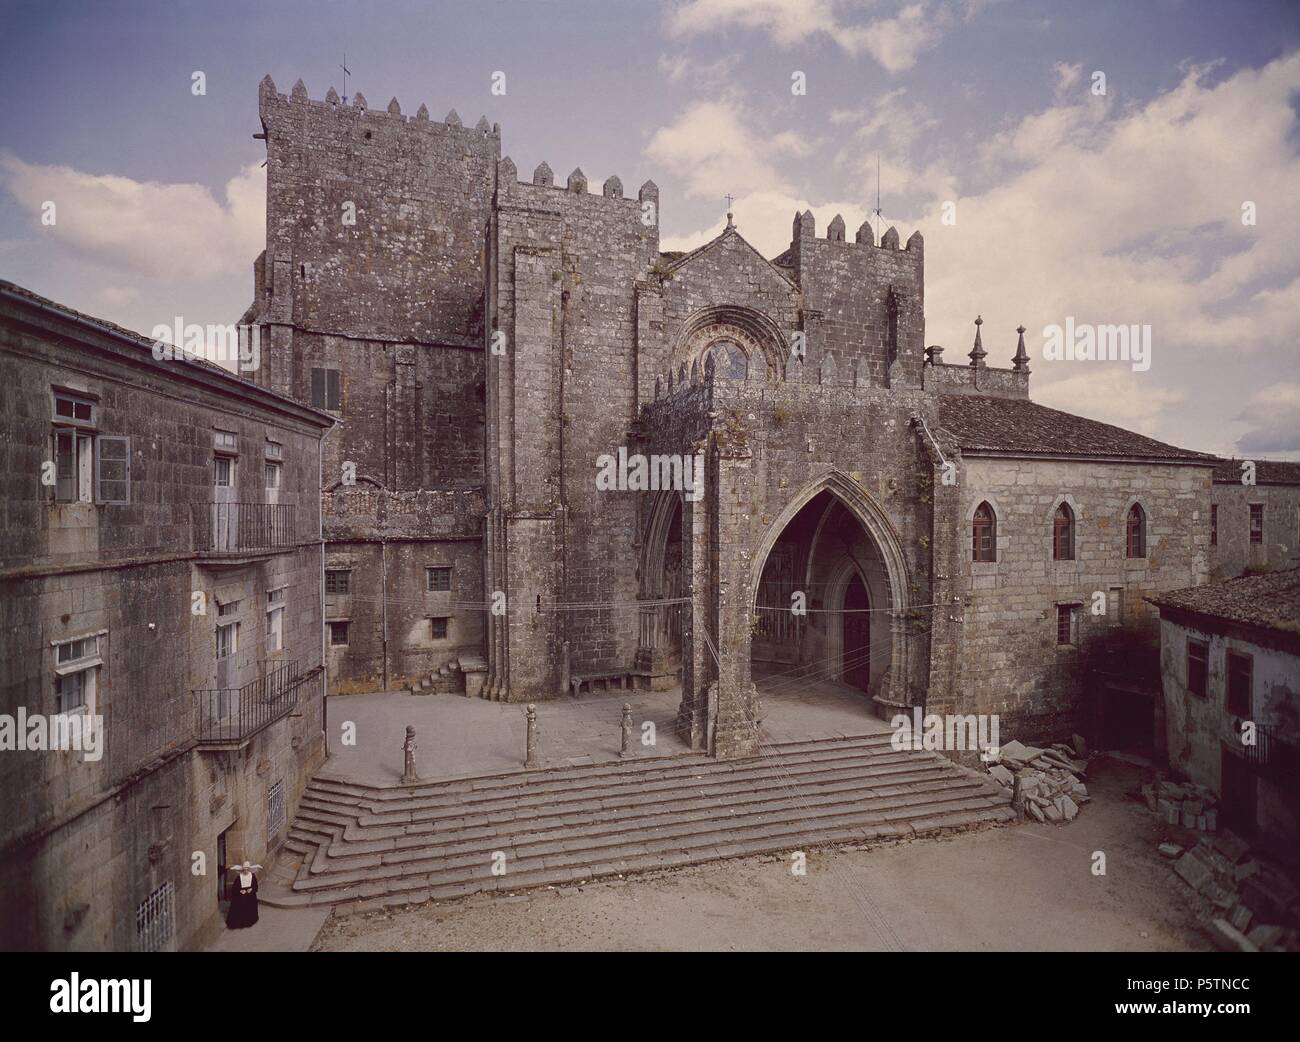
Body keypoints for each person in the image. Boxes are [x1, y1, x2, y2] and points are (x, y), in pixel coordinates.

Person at [226, 861, 261, 929]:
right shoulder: (239, 877)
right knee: (239, 907)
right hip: (241, 896)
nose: (246, 870)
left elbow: (255, 886)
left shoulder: (252, 876)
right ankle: (240, 923)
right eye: (244, 869)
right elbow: (234, 888)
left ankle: (249, 921)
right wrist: (240, 891)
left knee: (250, 907)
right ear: (242, 869)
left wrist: (251, 889)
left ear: (249, 869)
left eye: (247, 869)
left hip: (250, 896)